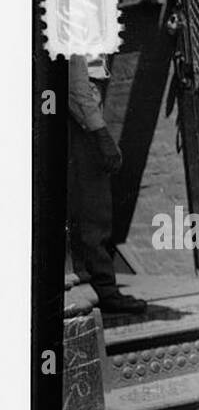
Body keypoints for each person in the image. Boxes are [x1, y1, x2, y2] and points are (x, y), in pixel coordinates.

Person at [67, 54, 147, 315]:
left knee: (92, 210)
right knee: (92, 210)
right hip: (78, 119)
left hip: (85, 110)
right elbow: (75, 85)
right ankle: (101, 289)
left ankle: (101, 287)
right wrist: (100, 134)